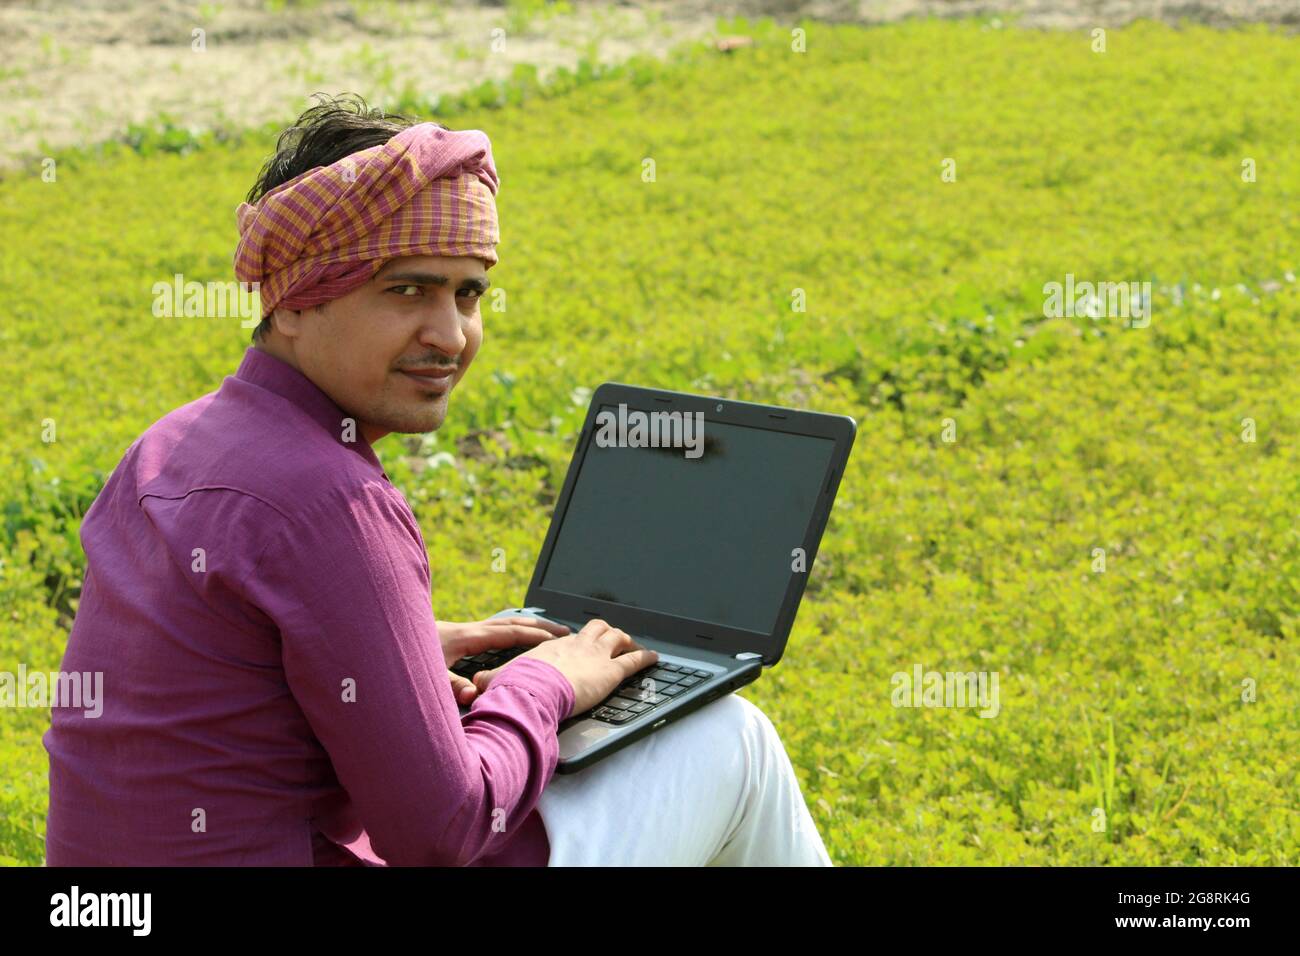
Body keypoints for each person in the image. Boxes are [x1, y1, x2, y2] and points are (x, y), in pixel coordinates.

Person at [42, 93, 831, 867]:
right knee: (732, 741)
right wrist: (546, 685)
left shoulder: (168, 447)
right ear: (290, 304)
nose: (450, 336)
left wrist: (403, 655)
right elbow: (442, 832)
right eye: (406, 289)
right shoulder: (329, 502)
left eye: (469, 292)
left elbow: (200, 692)